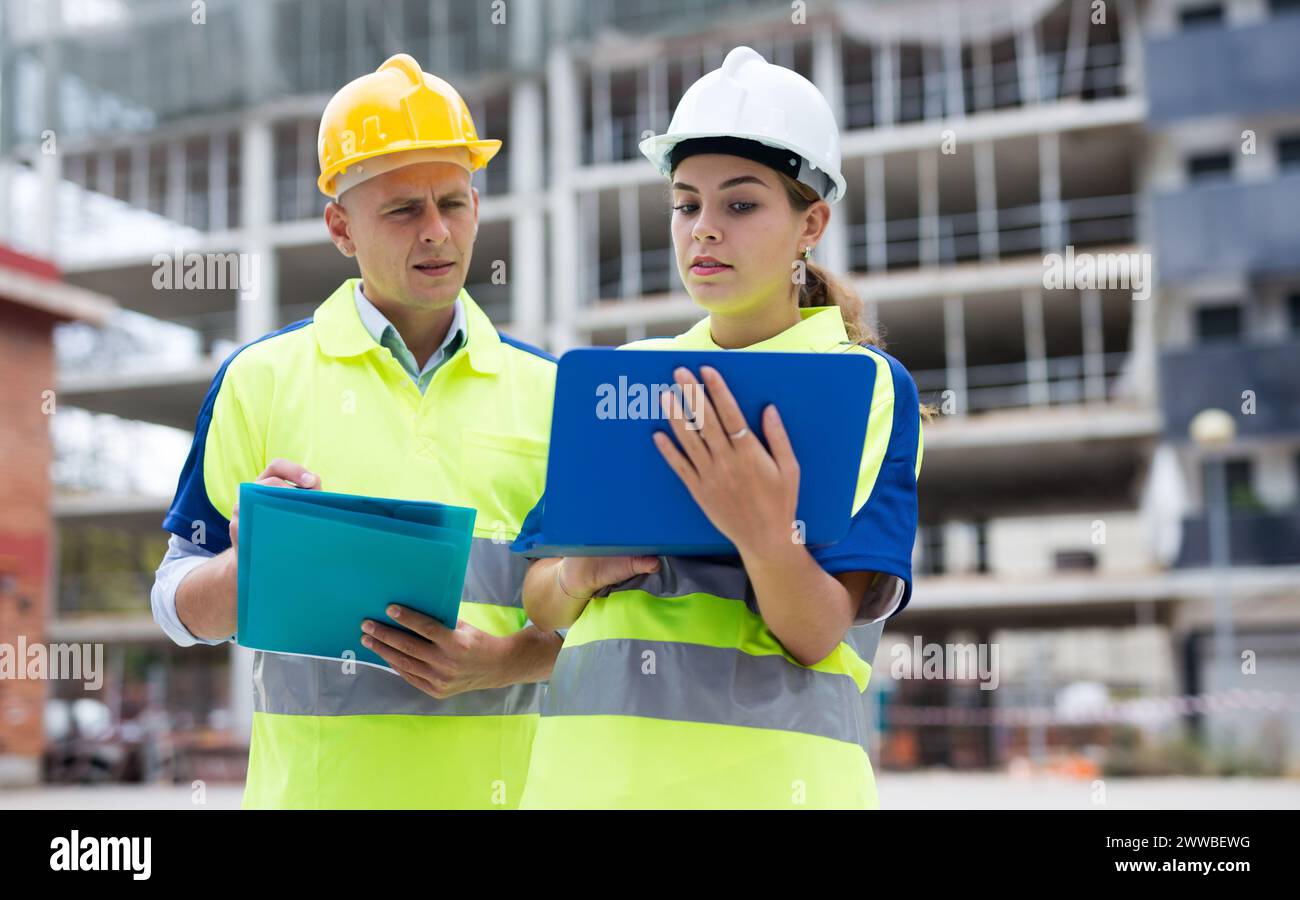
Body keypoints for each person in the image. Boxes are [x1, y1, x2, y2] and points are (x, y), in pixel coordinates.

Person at [514, 46, 925, 809]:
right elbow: (539, 599)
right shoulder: (623, 379)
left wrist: (763, 533)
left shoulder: (863, 387)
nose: (704, 230)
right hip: (588, 788)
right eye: (686, 203)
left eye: (740, 205)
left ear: (812, 223)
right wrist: (579, 575)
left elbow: (816, 633)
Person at [150, 54, 562, 809]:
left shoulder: (549, 394)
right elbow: (175, 605)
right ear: (341, 225)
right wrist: (249, 570)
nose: (437, 232)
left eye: (453, 203)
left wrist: (499, 661)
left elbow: (607, 631)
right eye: (404, 210)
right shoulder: (259, 379)